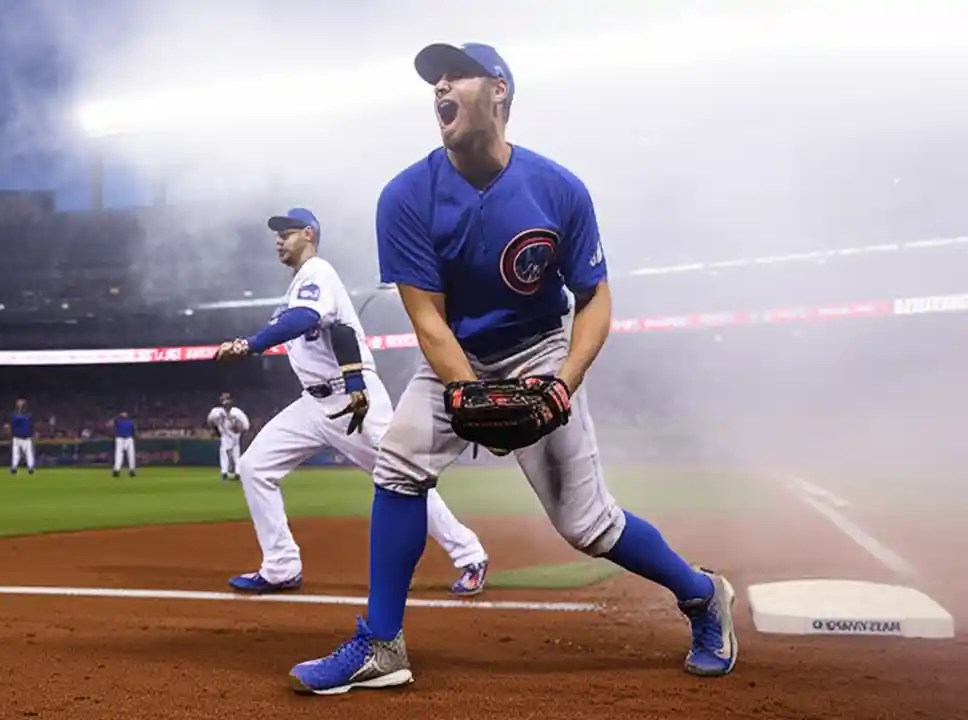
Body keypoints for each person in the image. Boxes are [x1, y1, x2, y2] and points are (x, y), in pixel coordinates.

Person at [288, 42, 737, 695]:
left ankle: (702, 596)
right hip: (457, 356)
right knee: (399, 462)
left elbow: (595, 300)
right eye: (433, 80)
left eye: (456, 75)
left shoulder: (558, 189)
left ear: (499, 90)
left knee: (589, 525)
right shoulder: (406, 196)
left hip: (539, 348)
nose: (439, 86)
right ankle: (381, 643)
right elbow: (428, 319)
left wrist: (562, 383)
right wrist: (464, 389)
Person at [214, 207, 489, 596]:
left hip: (353, 401)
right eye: (277, 234)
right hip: (313, 405)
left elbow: (305, 318)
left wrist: (251, 343)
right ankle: (280, 566)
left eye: (287, 233)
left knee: (401, 477)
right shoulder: (298, 285)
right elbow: (337, 330)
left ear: (309, 234)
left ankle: (470, 554)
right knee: (255, 466)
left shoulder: (318, 273)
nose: (279, 240)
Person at [206, 392, 250, 481]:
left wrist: (238, 428)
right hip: (225, 435)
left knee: (233, 455)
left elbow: (246, 426)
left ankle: (233, 473)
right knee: (227, 453)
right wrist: (216, 429)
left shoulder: (236, 412)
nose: (226, 404)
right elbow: (210, 421)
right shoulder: (217, 412)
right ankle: (227, 472)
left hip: (234, 436)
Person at [8, 397, 35, 475]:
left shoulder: (28, 415)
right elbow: (13, 424)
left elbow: (30, 425)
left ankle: (30, 468)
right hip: (17, 437)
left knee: (28, 453)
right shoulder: (15, 416)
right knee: (16, 454)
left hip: (26, 438)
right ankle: (14, 468)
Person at [112, 411, 136, 477]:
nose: (124, 414)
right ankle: (116, 470)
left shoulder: (130, 421)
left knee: (131, 455)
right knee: (118, 455)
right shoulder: (118, 420)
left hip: (129, 438)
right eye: (122, 413)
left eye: (125, 413)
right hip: (120, 438)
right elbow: (115, 422)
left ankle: (132, 470)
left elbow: (133, 430)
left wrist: (134, 436)